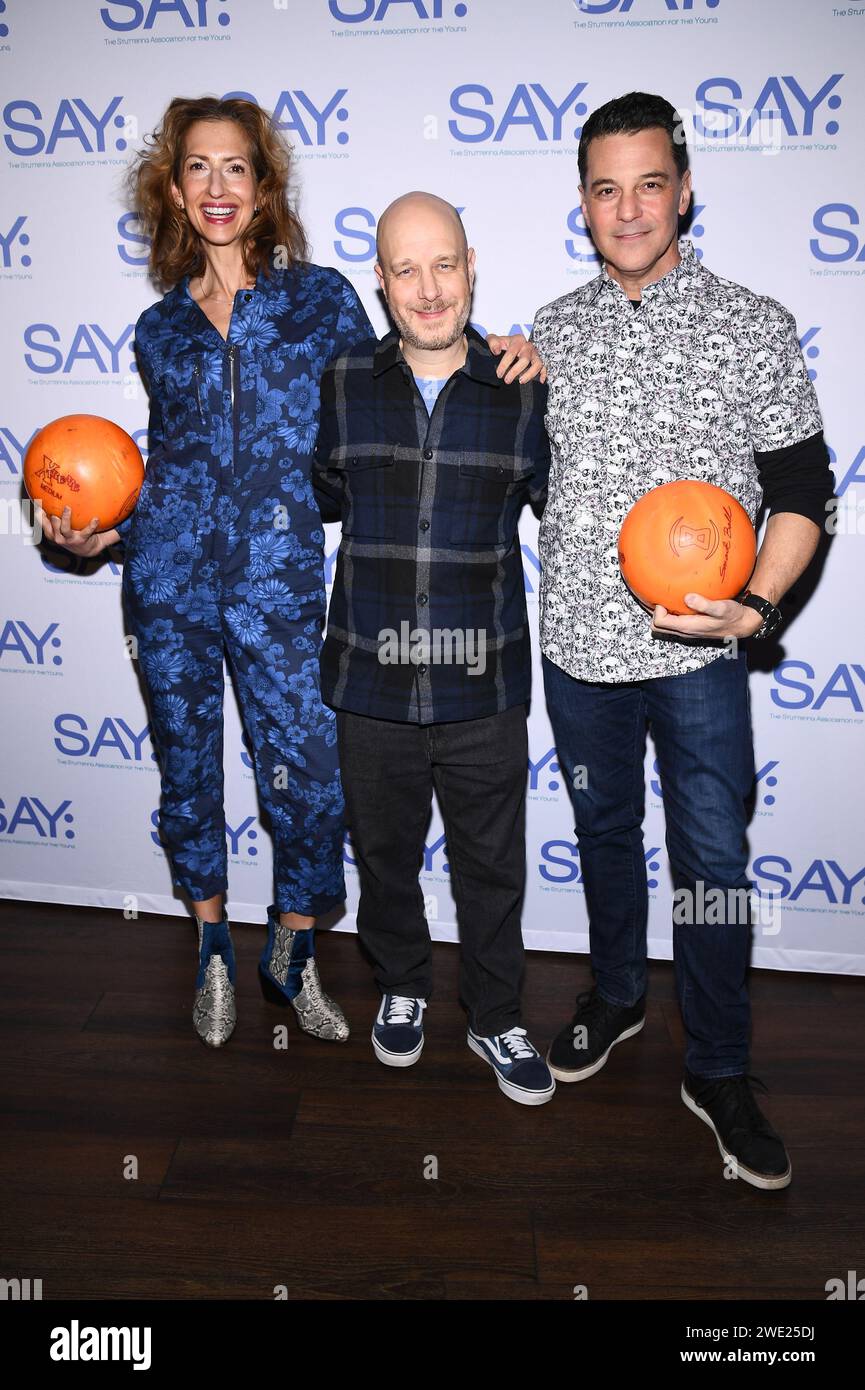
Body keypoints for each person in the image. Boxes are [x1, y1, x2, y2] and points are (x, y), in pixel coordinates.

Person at [41, 99, 543, 1052]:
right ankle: (211, 954)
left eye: (238, 168)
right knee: (186, 778)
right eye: (199, 168)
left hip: (282, 588)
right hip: (167, 585)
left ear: (263, 186)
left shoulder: (321, 303)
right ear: (175, 190)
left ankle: (295, 951)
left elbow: (407, 380)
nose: (219, 187)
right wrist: (98, 537)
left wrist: (509, 354)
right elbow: (162, 466)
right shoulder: (158, 331)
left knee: (310, 786)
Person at [531, 93, 835, 1185]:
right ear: (583, 203)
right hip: (575, 655)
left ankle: (716, 1066)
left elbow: (803, 489)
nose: (628, 208)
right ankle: (613, 998)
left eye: (648, 183)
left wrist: (755, 608)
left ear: (684, 188)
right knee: (603, 835)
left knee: (710, 861)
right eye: (606, 189)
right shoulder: (549, 333)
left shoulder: (751, 322)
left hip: (702, 659)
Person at [313, 192, 555, 1106]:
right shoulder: (343, 381)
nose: (426, 287)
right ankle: (404, 988)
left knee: (491, 866)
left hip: (482, 679)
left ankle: (495, 1015)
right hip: (368, 678)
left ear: (471, 266)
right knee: (383, 855)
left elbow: (568, 512)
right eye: (404, 268)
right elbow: (320, 496)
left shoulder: (523, 383)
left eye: (442, 264)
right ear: (380, 280)